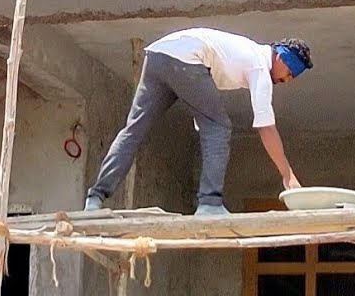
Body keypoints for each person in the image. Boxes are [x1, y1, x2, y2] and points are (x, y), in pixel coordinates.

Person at [84, 29, 312, 217]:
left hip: (158, 56)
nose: (286, 80)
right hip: (186, 59)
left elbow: (200, 91)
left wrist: (201, 121)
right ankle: (210, 203)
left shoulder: (246, 52)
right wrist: (288, 175)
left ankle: (95, 198)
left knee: (134, 129)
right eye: (289, 73)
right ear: (280, 58)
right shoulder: (260, 66)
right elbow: (266, 127)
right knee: (219, 127)